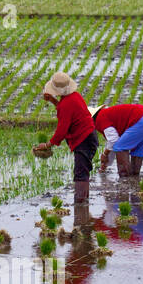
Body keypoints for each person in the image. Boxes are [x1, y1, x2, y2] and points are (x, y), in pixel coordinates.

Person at [33, 71, 96, 204]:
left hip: (83, 140)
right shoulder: (74, 96)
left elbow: (61, 131)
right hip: (89, 136)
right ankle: (83, 201)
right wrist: (53, 101)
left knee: (80, 173)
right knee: (83, 170)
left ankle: (81, 204)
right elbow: (66, 110)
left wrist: (47, 145)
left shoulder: (66, 104)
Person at [94, 103, 143, 178]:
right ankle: (135, 177)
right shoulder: (106, 114)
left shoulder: (100, 119)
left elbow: (113, 141)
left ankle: (125, 179)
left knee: (120, 148)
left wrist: (105, 154)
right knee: (137, 151)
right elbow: (112, 145)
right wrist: (105, 164)